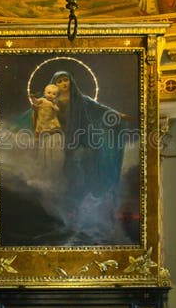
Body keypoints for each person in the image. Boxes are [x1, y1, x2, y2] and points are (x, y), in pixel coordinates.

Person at [50, 70, 127, 210]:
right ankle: (68, 201)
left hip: (82, 137)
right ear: (54, 84)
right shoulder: (51, 102)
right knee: (67, 168)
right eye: (59, 81)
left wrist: (117, 115)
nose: (63, 83)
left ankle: (86, 198)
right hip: (61, 138)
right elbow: (37, 114)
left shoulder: (81, 99)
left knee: (86, 164)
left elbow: (99, 108)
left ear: (71, 81)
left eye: (65, 80)